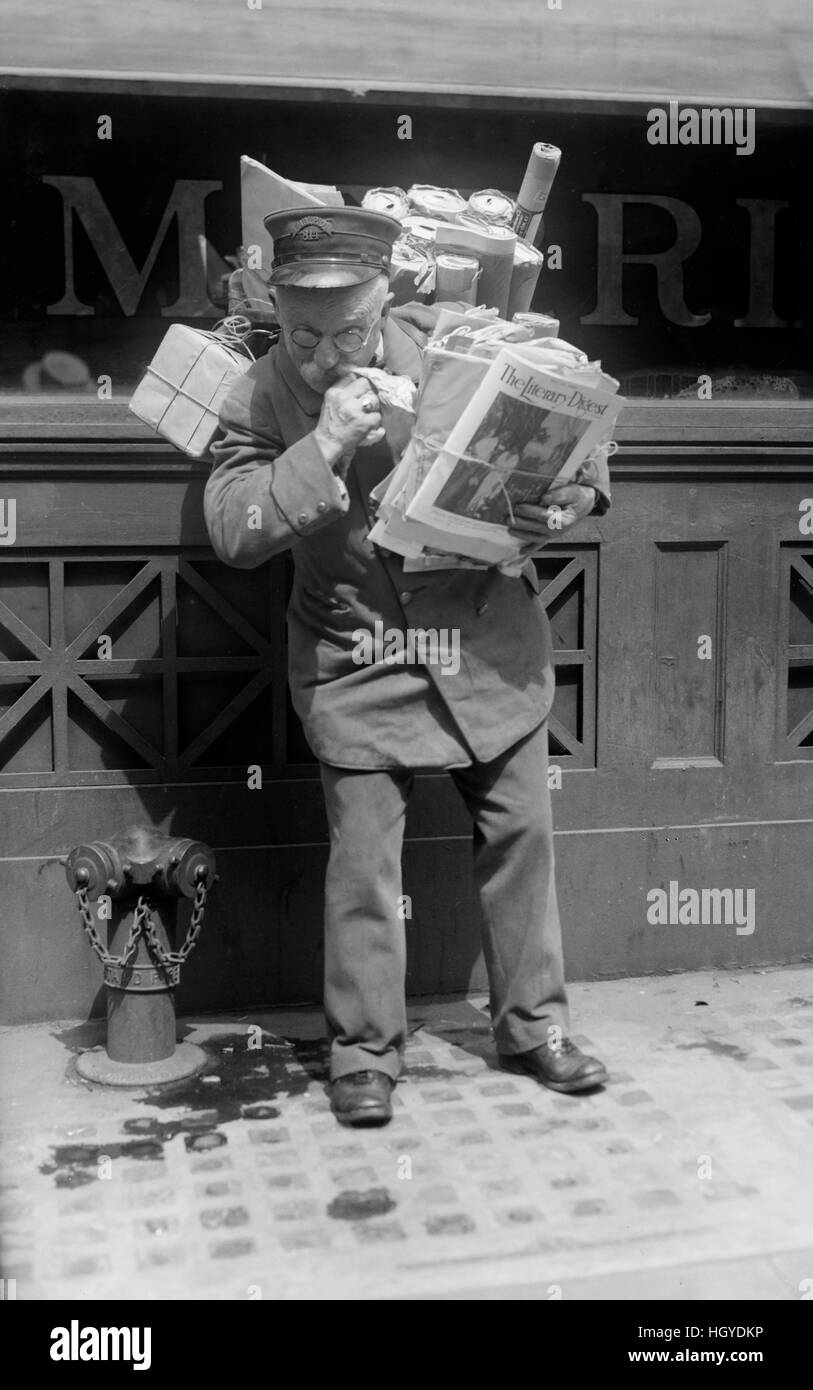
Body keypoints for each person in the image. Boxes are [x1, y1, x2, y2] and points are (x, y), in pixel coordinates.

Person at [203, 206, 611, 1127]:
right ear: (275, 308)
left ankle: (534, 1029)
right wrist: (324, 447)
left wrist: (572, 498)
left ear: (386, 298)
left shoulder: (460, 344)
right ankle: (362, 1055)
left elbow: (576, 437)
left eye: (350, 328)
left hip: (483, 644)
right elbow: (233, 531)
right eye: (304, 331)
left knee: (521, 840)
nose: (327, 352)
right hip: (357, 657)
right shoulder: (261, 393)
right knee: (363, 869)